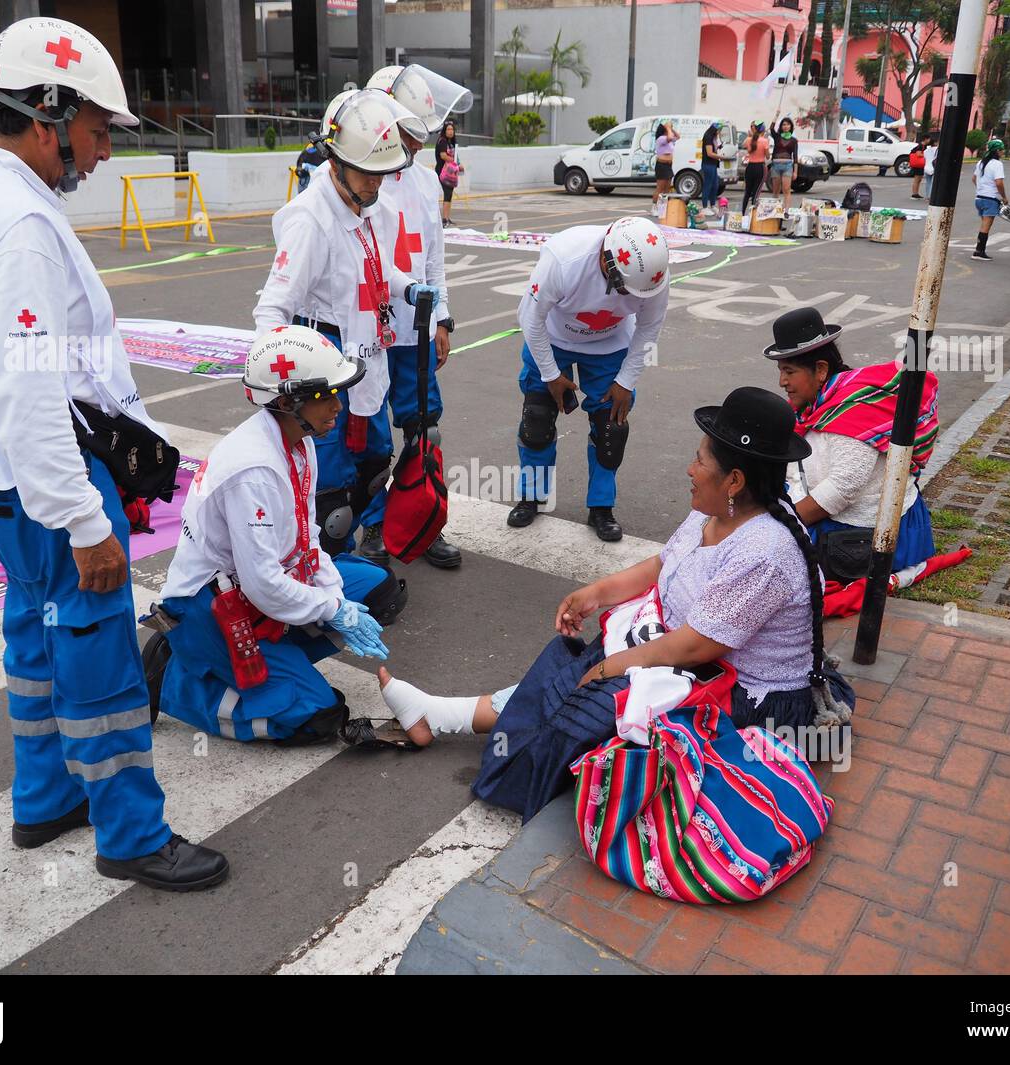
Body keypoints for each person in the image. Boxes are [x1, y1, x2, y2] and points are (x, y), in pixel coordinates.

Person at [0, 17, 227, 891]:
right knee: (96, 649)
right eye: (94, 132)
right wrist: (84, 518)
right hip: (47, 481)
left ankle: (44, 796)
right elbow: (29, 392)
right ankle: (130, 830)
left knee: (35, 631)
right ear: (46, 116)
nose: (99, 154)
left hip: (0, 479)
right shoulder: (20, 226)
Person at [377, 387, 855, 823]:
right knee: (580, 666)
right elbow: (666, 564)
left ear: (733, 480)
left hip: (747, 701)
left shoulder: (764, 552)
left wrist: (616, 665)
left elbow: (695, 647)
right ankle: (441, 717)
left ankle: (448, 720)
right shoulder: (717, 511)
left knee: (600, 688)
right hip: (694, 661)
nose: (690, 469)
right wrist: (597, 593)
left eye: (699, 460)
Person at [148, 326, 405, 745]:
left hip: (259, 587)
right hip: (213, 604)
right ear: (287, 401)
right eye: (326, 396)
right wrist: (331, 610)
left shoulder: (297, 441)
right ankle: (176, 679)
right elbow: (263, 584)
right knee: (316, 716)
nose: (338, 405)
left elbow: (309, 537)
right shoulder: (255, 471)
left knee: (380, 590)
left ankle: (272, 660)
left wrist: (335, 599)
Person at [253, 88, 443, 562]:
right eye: (367, 175)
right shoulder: (309, 220)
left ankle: (355, 556)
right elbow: (273, 307)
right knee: (332, 489)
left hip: (366, 355)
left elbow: (375, 270)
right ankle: (325, 568)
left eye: (383, 176)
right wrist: (276, 382)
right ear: (334, 161)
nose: (376, 186)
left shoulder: (369, 207)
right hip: (322, 362)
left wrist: (408, 289)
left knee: (375, 467)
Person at [351, 64, 474, 571]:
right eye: (409, 134)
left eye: (421, 135)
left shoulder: (425, 183)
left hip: (417, 331)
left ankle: (423, 520)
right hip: (371, 331)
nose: (418, 146)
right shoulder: (354, 178)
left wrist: (442, 318)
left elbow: (433, 258)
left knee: (424, 428)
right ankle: (378, 524)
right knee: (374, 439)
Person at [506, 217, 670, 542]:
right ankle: (532, 495)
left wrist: (625, 381)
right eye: (621, 286)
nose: (625, 295)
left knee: (612, 426)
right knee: (537, 417)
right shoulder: (564, 260)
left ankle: (601, 506)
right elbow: (531, 319)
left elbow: (649, 327)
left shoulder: (652, 275)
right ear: (605, 260)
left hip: (610, 346)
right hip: (552, 337)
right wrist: (551, 375)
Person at [768, 308, 937, 577]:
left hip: (865, 536)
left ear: (821, 370)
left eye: (789, 371)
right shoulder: (820, 405)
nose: (782, 382)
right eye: (781, 371)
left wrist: (780, 525)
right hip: (834, 520)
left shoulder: (853, 411)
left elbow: (843, 487)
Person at [971, 138, 1010, 261]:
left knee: (984, 224)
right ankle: (979, 251)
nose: (1003, 152)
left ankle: (979, 249)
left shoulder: (981, 162)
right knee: (986, 226)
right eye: (1002, 150)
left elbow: (974, 178)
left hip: (979, 198)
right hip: (990, 199)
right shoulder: (997, 164)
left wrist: (981, 189)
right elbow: (999, 183)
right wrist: (1004, 197)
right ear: (997, 150)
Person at [435, 120, 462, 226]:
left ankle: (447, 217)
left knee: (449, 194)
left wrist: (459, 164)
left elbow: (455, 156)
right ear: (444, 131)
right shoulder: (442, 141)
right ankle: (444, 220)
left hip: (451, 172)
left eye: (452, 129)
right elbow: (443, 156)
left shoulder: (451, 142)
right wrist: (455, 162)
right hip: (443, 172)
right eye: (448, 129)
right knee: (447, 193)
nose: (450, 131)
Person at [769, 117, 798, 213]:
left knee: (786, 189)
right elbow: (771, 128)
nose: (786, 126)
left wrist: (795, 172)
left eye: (788, 124)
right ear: (781, 126)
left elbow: (795, 157)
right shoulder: (777, 137)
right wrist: (776, 116)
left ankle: (786, 211)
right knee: (776, 190)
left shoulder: (794, 140)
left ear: (791, 126)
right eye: (784, 124)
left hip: (787, 166)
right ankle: (774, 211)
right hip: (776, 166)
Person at [742, 121, 769, 214]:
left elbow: (743, 145)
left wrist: (750, 135)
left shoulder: (749, 140)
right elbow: (768, 156)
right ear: (763, 130)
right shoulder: (765, 141)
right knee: (756, 192)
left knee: (747, 192)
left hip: (749, 167)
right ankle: (752, 215)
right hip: (760, 167)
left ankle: (742, 213)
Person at [652, 120, 680, 211]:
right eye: (668, 128)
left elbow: (678, 137)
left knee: (667, 189)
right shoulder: (661, 139)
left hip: (668, 166)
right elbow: (670, 137)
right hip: (661, 165)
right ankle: (654, 207)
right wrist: (668, 127)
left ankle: (662, 207)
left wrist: (671, 128)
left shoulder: (670, 138)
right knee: (660, 188)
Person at [699, 118, 724, 217]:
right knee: (708, 185)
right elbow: (709, 153)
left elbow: (714, 149)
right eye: (718, 130)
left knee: (715, 185)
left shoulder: (713, 137)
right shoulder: (708, 137)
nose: (719, 132)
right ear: (714, 130)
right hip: (708, 164)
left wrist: (719, 147)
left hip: (713, 164)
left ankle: (713, 205)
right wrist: (722, 157)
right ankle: (705, 207)